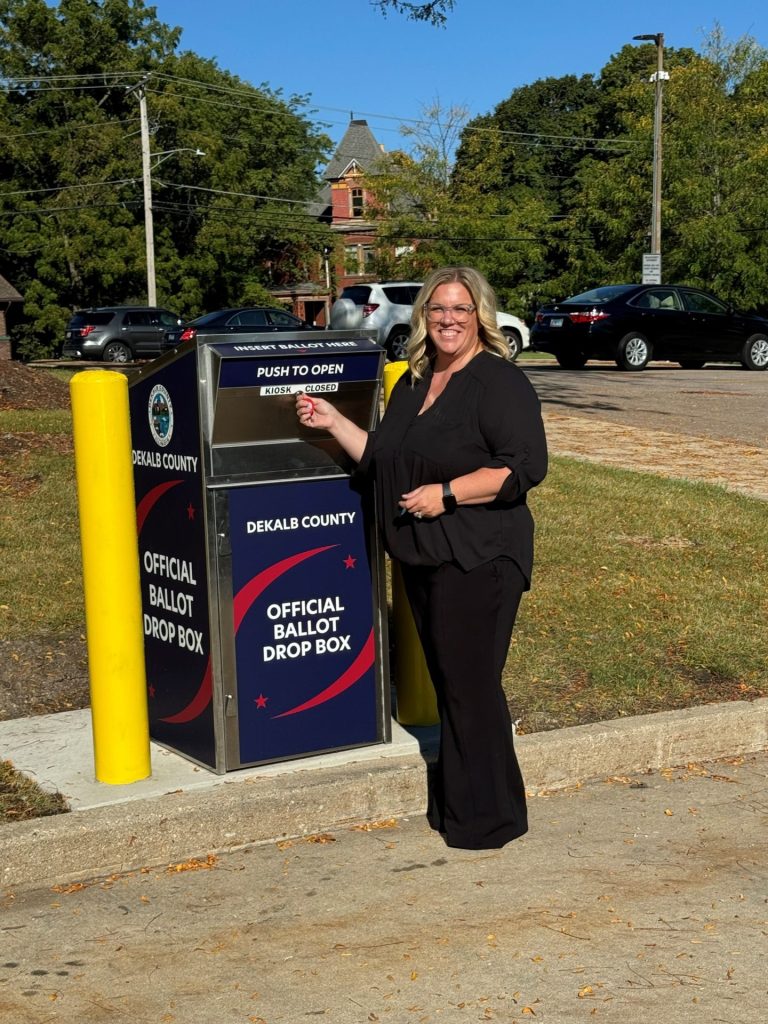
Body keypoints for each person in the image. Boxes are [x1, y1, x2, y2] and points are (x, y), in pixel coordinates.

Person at [296, 266, 547, 850]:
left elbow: (523, 466)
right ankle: (476, 805)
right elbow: (384, 460)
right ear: (423, 317)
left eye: (460, 309)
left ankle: (486, 820)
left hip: (480, 556)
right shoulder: (414, 381)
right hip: (425, 555)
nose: (448, 319)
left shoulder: (499, 383)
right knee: (456, 683)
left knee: (470, 686)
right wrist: (334, 422)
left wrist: (449, 492)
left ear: (479, 315)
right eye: (438, 310)